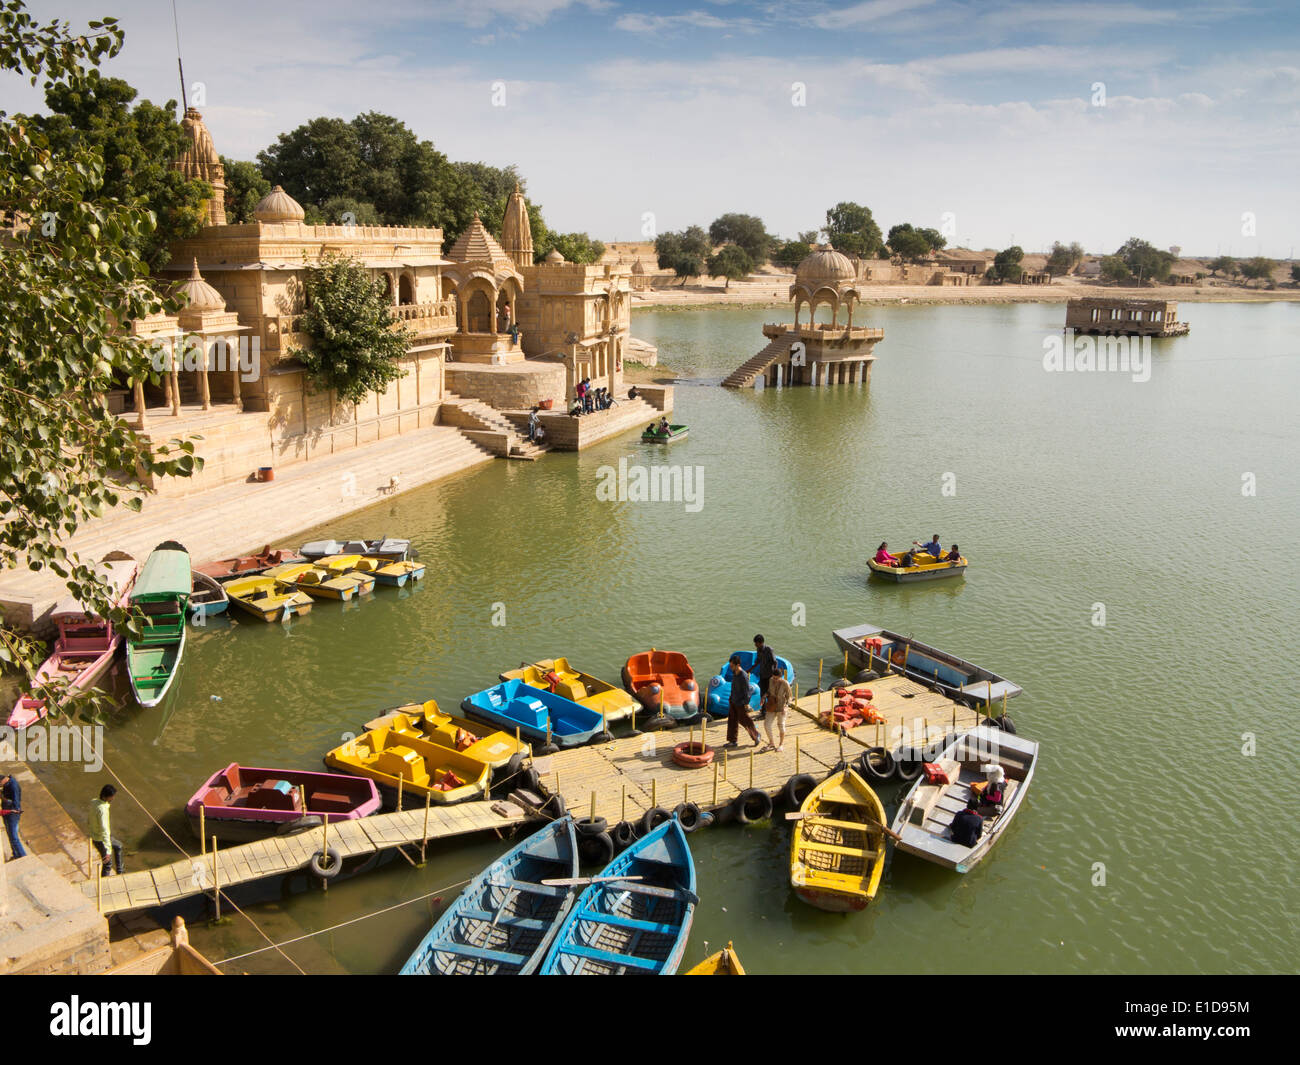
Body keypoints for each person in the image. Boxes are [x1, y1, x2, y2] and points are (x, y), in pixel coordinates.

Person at [725, 655, 761, 748]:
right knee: (732, 721)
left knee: (745, 720)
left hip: (740, 702)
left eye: (732, 665)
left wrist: (745, 704)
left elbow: (747, 692)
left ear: (738, 665)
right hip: (733, 700)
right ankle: (733, 741)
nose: (731, 667)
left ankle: (756, 735)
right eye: (730, 665)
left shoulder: (743, 676)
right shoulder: (735, 673)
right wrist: (731, 698)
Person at [90, 784, 124, 876]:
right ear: (108, 797)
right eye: (112, 796)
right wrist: (108, 851)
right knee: (107, 863)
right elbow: (104, 830)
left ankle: (120, 872)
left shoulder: (94, 802)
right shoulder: (103, 810)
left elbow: (90, 819)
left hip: (95, 834)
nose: (113, 798)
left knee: (118, 846)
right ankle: (104, 885)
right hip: (99, 839)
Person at [761, 661, 791, 752]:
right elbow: (769, 691)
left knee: (781, 726)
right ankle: (771, 743)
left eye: (776, 678)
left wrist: (786, 707)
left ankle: (781, 744)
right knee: (766, 724)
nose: (774, 680)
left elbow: (789, 697)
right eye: (773, 678)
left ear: (780, 678)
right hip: (772, 705)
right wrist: (764, 696)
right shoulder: (770, 680)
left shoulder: (785, 683)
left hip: (781, 707)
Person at [1, 772, 26, 859]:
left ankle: (23, 856)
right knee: (10, 835)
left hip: (12, 814)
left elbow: (15, 803)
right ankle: (16, 854)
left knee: (14, 837)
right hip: (7, 812)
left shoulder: (13, 786)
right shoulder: (8, 783)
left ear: (2, 781)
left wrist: (2, 798)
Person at [752, 634, 777, 698]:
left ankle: (770, 707)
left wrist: (774, 675)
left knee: (770, 693)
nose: (755, 645)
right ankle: (763, 708)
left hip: (769, 675)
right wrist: (750, 669)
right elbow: (758, 660)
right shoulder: (758, 649)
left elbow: (775, 662)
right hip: (762, 674)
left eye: (756, 643)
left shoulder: (769, 650)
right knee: (762, 693)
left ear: (761, 643)